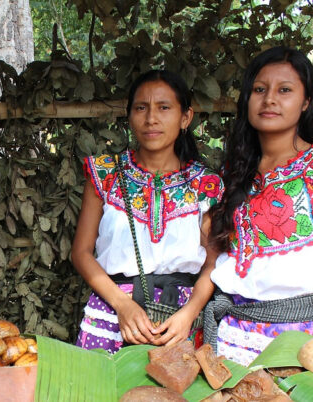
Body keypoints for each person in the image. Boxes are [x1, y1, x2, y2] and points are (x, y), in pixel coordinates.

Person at [205, 46, 313, 365]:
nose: (270, 98)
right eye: (260, 89)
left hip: (298, 338)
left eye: (284, 89)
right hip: (232, 333)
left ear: (307, 101)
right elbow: (216, 254)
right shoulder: (234, 173)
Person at [72, 70, 224, 353]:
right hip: (112, 314)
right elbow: (81, 253)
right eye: (141, 108)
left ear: (185, 118)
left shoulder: (205, 184)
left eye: (164, 108)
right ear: (129, 116)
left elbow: (213, 265)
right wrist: (122, 305)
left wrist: (189, 314)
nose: (151, 118)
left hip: (178, 324)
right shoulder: (105, 174)